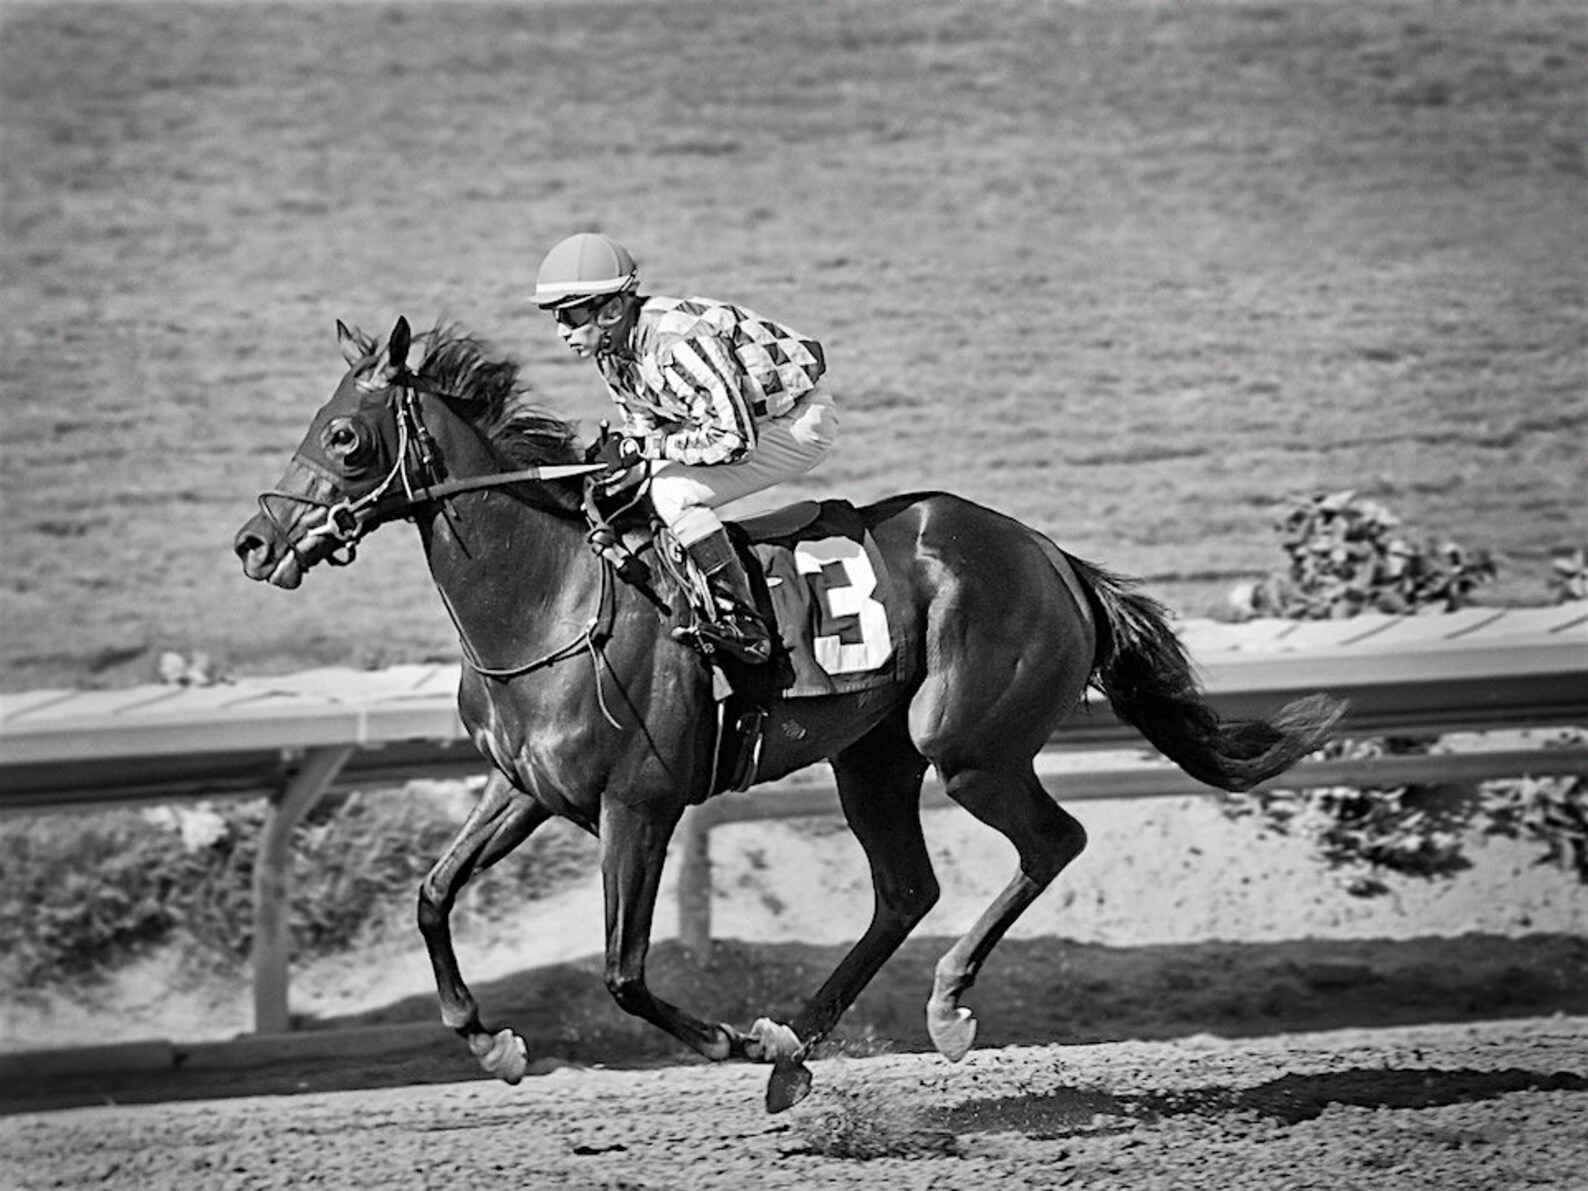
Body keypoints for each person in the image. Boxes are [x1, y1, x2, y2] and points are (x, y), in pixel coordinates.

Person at [533, 232, 838, 666]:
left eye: (570, 316)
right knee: (623, 492)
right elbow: (643, 425)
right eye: (556, 318)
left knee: (673, 493)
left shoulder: (677, 343)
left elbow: (734, 441)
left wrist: (647, 447)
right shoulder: (611, 351)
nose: (562, 331)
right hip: (737, 424)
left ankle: (743, 623)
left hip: (795, 422)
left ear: (613, 310)